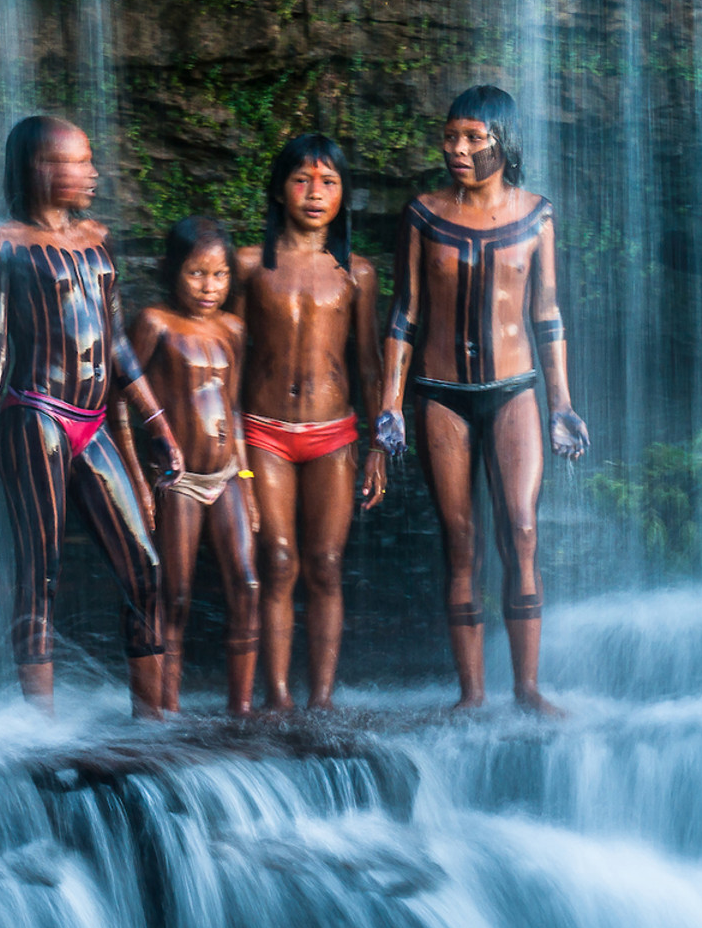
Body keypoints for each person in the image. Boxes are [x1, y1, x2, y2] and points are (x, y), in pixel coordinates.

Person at [0, 115, 185, 717]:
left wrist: (158, 425)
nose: (94, 173)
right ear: (41, 169)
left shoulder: (98, 242)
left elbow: (117, 345)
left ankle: (153, 721)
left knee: (145, 565)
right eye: (81, 162)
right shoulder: (3, 246)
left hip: (93, 421)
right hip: (35, 416)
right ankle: (41, 729)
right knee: (43, 569)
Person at [375, 86, 587, 716]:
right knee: (459, 537)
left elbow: (547, 313)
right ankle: (471, 694)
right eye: (450, 137)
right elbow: (405, 315)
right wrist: (389, 405)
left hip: (514, 388)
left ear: (505, 142)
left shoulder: (536, 215)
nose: (457, 149)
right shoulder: (423, 214)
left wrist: (563, 404)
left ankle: (526, 688)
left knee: (520, 529)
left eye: (473, 138)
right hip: (441, 393)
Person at [231, 134, 387, 712]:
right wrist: (234, 458)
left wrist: (378, 446)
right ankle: (276, 698)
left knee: (324, 563)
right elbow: (231, 358)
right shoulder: (249, 265)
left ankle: (320, 701)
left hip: (335, 436)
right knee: (276, 558)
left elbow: (369, 364)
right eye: (302, 179)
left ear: (344, 195)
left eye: (328, 182)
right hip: (261, 437)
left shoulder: (356, 273)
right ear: (279, 189)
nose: (315, 193)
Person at [115, 216, 262, 716]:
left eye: (219, 275)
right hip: (178, 480)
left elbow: (235, 407)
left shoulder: (233, 328)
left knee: (246, 581)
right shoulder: (155, 323)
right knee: (174, 592)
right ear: (171, 271)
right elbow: (121, 399)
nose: (209, 287)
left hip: (227, 477)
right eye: (197, 274)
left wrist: (248, 483)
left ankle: (240, 710)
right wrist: (136, 476)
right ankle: (168, 710)